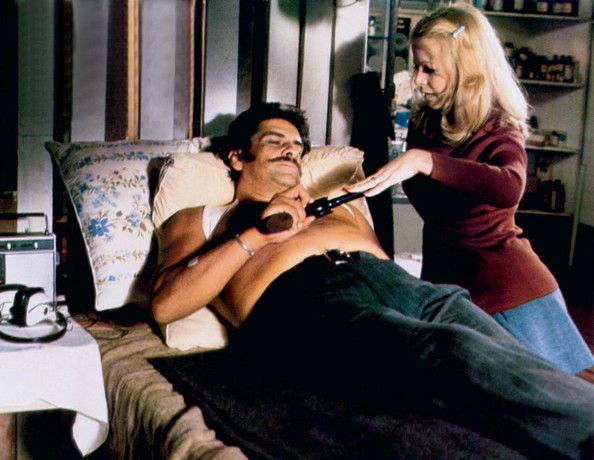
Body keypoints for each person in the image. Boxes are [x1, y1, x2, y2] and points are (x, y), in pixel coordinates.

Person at [151, 102, 594, 459]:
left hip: (398, 284)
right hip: (310, 302)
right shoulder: (208, 218)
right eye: (275, 142)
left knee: (511, 354)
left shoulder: (337, 204)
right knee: (451, 351)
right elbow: (167, 304)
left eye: (298, 146)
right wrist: (257, 234)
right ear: (237, 156)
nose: (291, 151)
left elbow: (386, 258)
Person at [346, 4, 594, 379]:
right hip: (451, 287)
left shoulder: (499, 128)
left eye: (430, 70)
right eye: (417, 67)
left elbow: (509, 186)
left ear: (466, 69)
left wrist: (425, 162)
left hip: (507, 291)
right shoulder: (426, 121)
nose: (419, 80)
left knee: (557, 398)